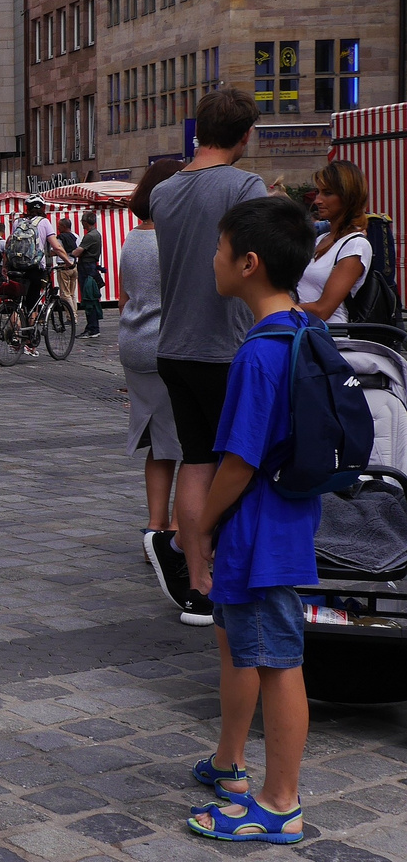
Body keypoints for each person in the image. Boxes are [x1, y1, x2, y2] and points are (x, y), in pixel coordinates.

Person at [185, 195, 318, 845]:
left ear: (248, 263)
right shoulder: (303, 328)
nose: (212, 259)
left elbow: (236, 461)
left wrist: (199, 525)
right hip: (284, 517)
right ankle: (236, 769)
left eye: (218, 248)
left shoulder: (257, 353)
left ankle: (278, 803)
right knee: (257, 651)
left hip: (257, 527)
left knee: (275, 662)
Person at [148, 87, 268, 627]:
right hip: (228, 346)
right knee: (239, 464)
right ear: (245, 135)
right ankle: (233, 574)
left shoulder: (165, 191)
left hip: (174, 345)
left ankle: (198, 585)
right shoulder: (246, 186)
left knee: (195, 460)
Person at [118, 160, 185, 539]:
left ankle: (155, 527)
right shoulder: (172, 239)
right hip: (168, 345)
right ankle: (177, 532)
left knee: (160, 444)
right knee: (189, 444)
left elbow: (126, 296)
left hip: (134, 343)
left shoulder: (132, 237)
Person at [295, 160, 371, 324]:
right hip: (304, 333)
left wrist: (278, 308)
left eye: (327, 193)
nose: (317, 200)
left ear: (348, 196)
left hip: (331, 339)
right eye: (318, 192)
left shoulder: (356, 245)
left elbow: (323, 309)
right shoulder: (320, 239)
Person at [3, 196, 72, 356]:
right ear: (42, 208)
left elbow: (10, 244)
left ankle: (14, 335)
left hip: (15, 267)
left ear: (26, 208)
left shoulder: (17, 223)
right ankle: (29, 343)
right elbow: (56, 246)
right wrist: (69, 262)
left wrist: (5, 266)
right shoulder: (44, 223)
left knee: (17, 302)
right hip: (34, 268)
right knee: (32, 302)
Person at [75, 210, 105, 338]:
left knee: (88, 298)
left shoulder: (90, 236)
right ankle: (93, 327)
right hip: (91, 267)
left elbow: (77, 252)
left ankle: (92, 328)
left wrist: (66, 253)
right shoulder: (96, 234)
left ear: (85, 222)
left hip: (87, 268)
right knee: (91, 297)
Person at [55, 217, 80, 310]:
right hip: (74, 265)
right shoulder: (76, 236)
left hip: (63, 266)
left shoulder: (61, 237)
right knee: (72, 293)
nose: (58, 228)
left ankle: (71, 316)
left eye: (59, 226)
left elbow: (57, 250)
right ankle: (75, 314)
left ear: (64, 226)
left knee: (65, 294)